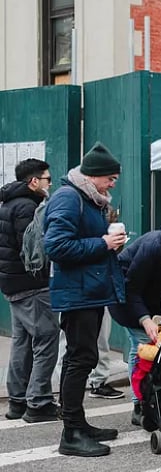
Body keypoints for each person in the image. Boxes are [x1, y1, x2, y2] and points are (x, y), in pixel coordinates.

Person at [45, 142, 127, 457]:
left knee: (82, 358)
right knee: (80, 359)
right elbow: (56, 246)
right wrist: (103, 243)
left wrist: (109, 244)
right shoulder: (69, 198)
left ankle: (78, 423)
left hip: (87, 291)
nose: (113, 184)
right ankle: (71, 433)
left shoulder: (89, 199)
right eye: (110, 178)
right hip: (77, 293)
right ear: (92, 175)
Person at [108, 222, 161, 426]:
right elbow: (131, 289)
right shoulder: (152, 247)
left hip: (156, 299)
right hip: (127, 297)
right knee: (144, 347)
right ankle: (140, 405)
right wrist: (145, 320)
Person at [0, 158, 60, 422]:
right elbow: (34, 250)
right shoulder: (27, 207)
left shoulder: (9, 203)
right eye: (47, 179)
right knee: (46, 340)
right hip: (31, 285)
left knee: (22, 342)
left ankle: (17, 401)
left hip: (13, 284)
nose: (50, 184)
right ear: (34, 181)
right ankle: (39, 402)